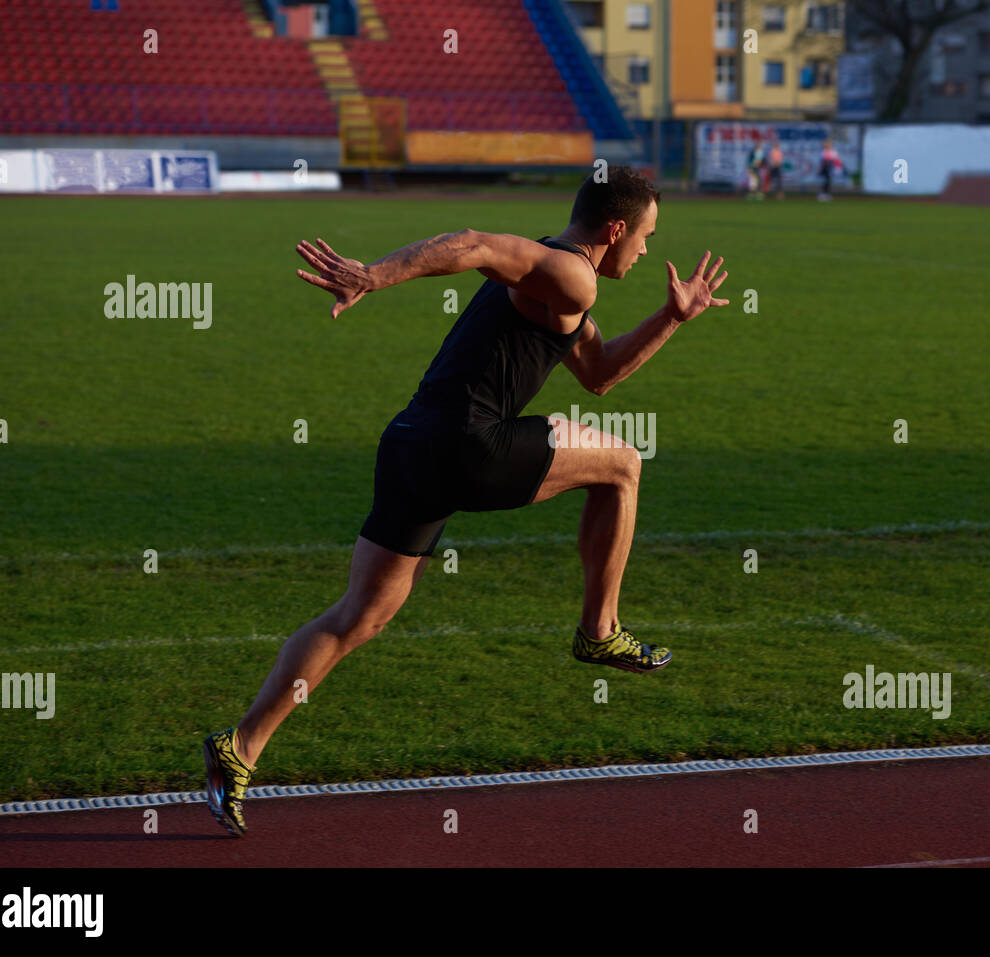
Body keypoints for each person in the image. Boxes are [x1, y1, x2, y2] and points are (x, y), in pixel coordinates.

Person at [202, 167, 730, 837]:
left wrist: (672, 318)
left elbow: (599, 375)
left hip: (411, 444)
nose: (647, 250)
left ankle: (241, 747)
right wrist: (373, 275)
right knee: (623, 465)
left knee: (359, 616)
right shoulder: (572, 274)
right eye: (646, 236)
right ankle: (599, 631)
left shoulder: (560, 285)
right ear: (616, 228)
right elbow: (474, 242)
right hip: (470, 446)